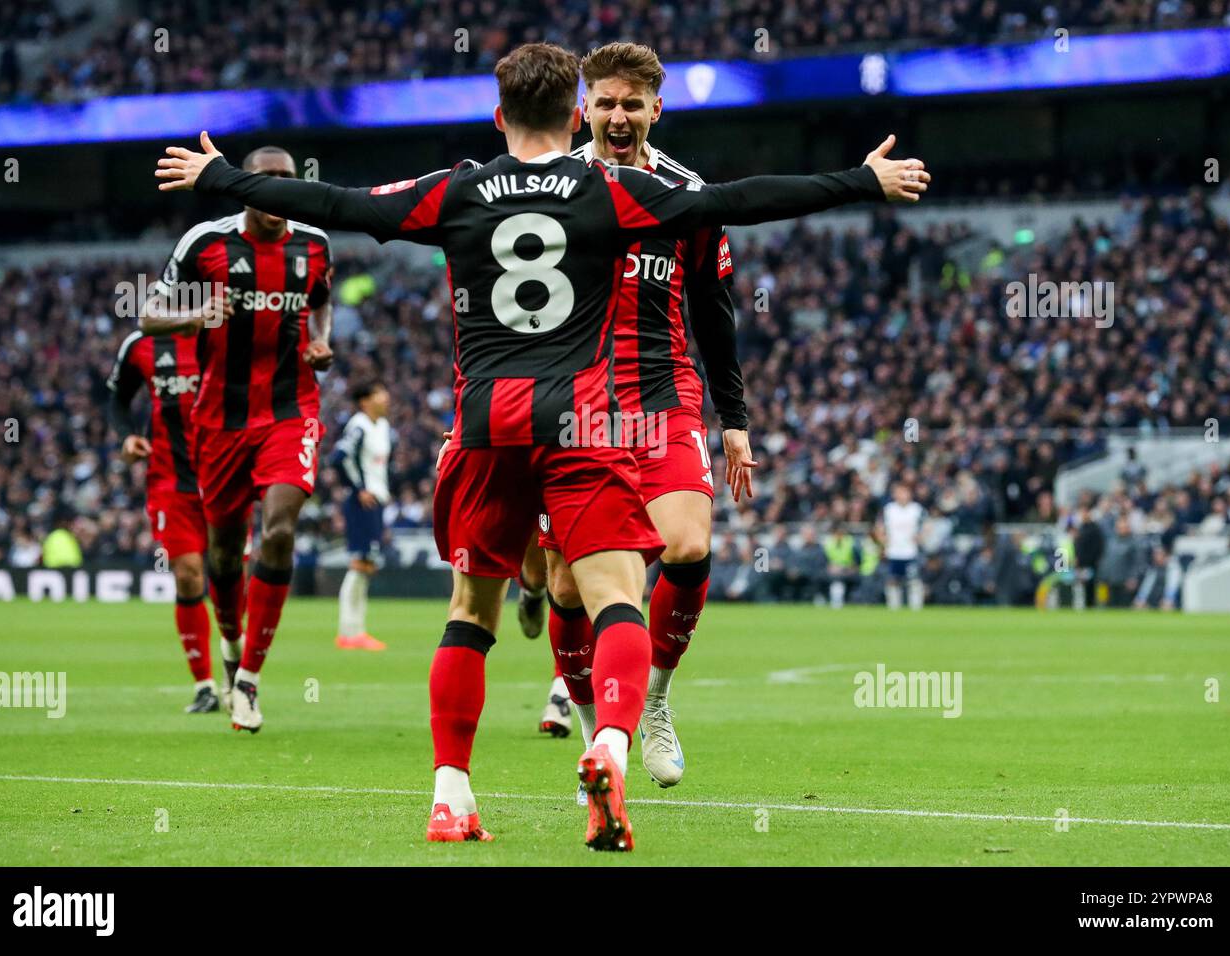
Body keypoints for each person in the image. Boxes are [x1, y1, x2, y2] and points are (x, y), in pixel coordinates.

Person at [154, 41, 928, 850]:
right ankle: (610, 740)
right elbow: (740, 198)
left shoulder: (454, 188)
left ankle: (451, 795)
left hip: (486, 426)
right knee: (617, 596)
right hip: (581, 423)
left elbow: (341, 202)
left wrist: (222, 180)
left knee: (470, 614)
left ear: (497, 117)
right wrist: (856, 182)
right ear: (574, 116)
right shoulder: (614, 189)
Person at [534, 42, 756, 788]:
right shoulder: (547, 190)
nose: (620, 116)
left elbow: (713, 308)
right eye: (607, 103)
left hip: (664, 394)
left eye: (634, 103)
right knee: (567, 587)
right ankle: (602, 718)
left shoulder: (687, 193)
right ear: (582, 110)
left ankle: (653, 697)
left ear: (656, 109)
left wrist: (735, 418)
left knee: (687, 544)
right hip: (571, 405)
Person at [141, 144, 335, 732]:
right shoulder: (204, 243)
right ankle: (230, 644)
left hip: (289, 410)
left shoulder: (315, 244)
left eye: (287, 179)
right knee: (225, 555)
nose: (278, 189)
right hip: (218, 422)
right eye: (266, 179)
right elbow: (151, 312)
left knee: (278, 531)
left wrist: (321, 342)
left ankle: (248, 678)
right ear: (240, 186)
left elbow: (320, 305)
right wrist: (194, 314)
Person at [107, 330, 217, 713]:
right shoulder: (140, 344)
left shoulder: (227, 330)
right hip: (171, 480)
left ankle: (241, 675)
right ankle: (205, 683)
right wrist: (127, 437)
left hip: (225, 471)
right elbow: (118, 399)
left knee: (234, 578)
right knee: (188, 572)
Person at [330, 381, 393, 651]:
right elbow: (339, 456)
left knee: (367, 564)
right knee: (359, 563)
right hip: (363, 502)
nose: (386, 397)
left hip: (376, 499)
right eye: (379, 392)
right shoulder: (359, 425)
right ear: (365, 401)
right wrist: (359, 489)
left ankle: (355, 631)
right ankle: (349, 631)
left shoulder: (383, 427)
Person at [878, 481, 925, 610]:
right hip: (894, 550)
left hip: (910, 551)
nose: (902, 495)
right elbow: (880, 528)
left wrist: (920, 537)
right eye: (899, 492)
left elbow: (926, 525)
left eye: (905, 492)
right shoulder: (889, 509)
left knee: (914, 580)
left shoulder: (916, 509)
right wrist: (883, 541)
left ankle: (916, 607)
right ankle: (894, 607)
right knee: (893, 580)